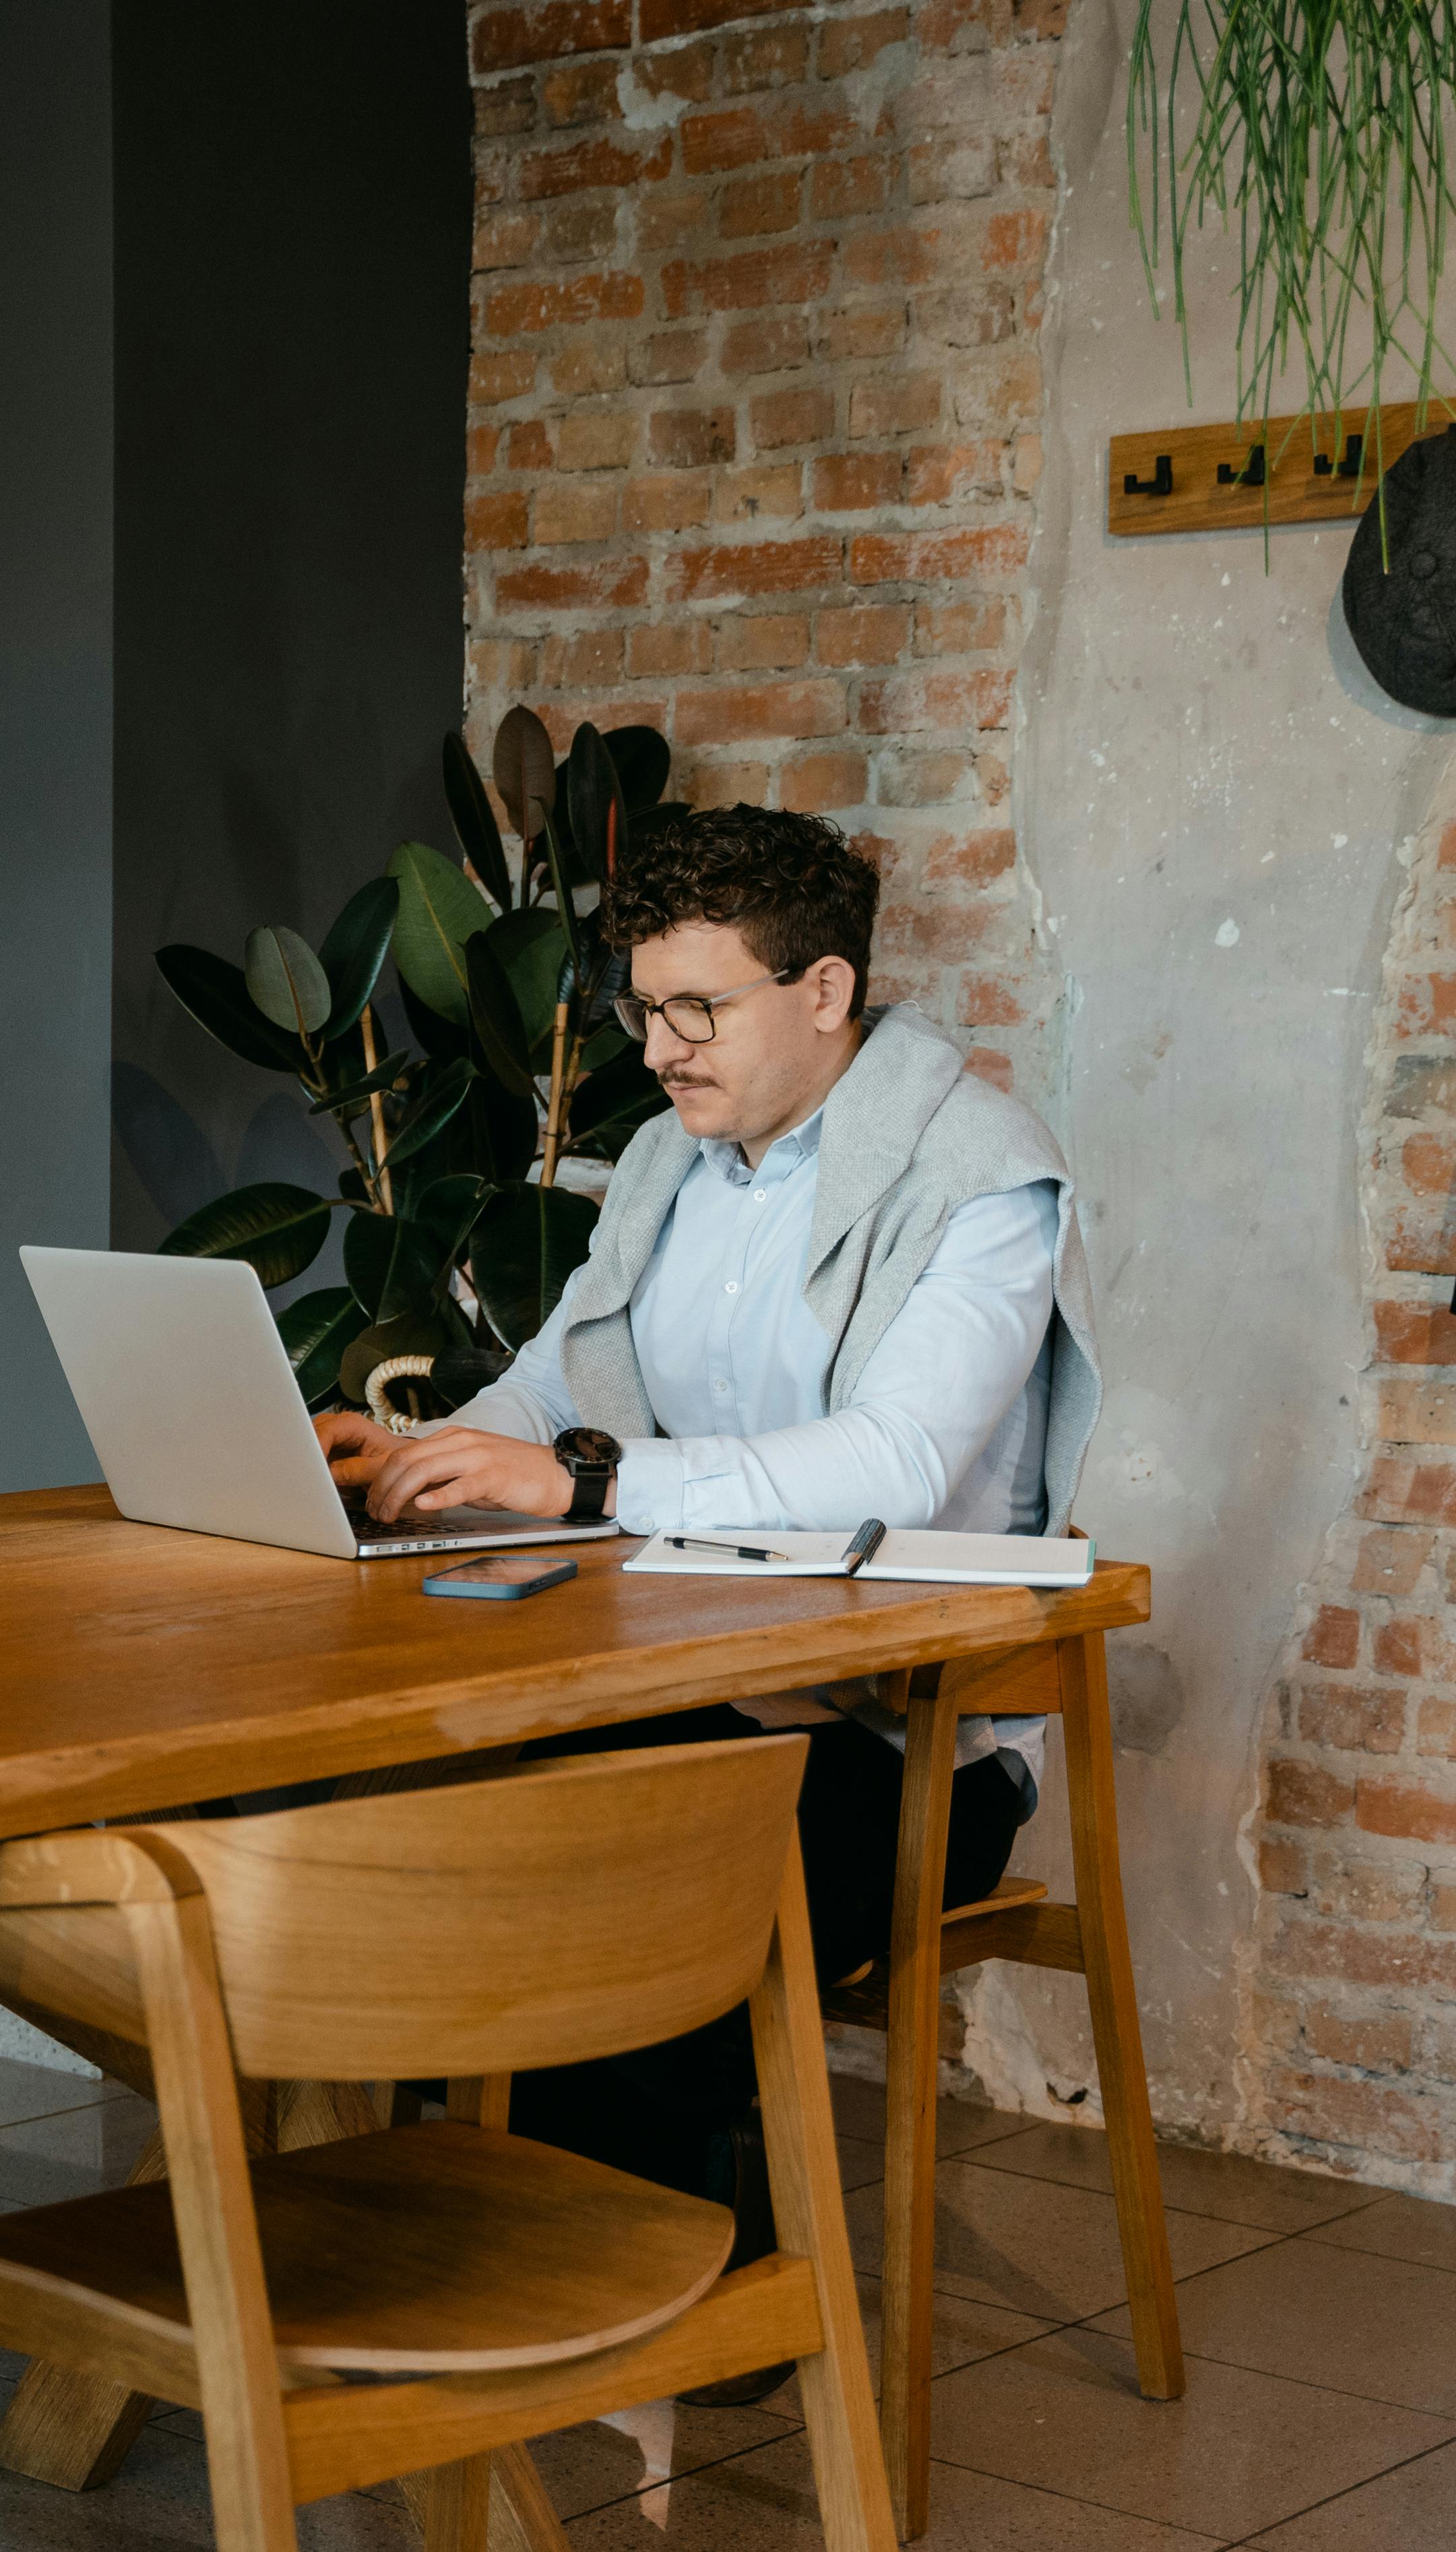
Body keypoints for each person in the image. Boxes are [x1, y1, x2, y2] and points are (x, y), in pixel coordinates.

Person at [313, 801, 1102, 2390]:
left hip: (904, 1747)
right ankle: (510, 2239)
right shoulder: (674, 1160)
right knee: (421, 1808)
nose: (661, 1049)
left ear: (825, 991)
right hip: (687, 1679)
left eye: (699, 1008)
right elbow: (559, 1381)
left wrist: (591, 1486)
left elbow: (891, 1463)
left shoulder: (982, 1178)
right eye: (642, 1007)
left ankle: (690, 2273)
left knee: (602, 1850)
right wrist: (429, 1453)